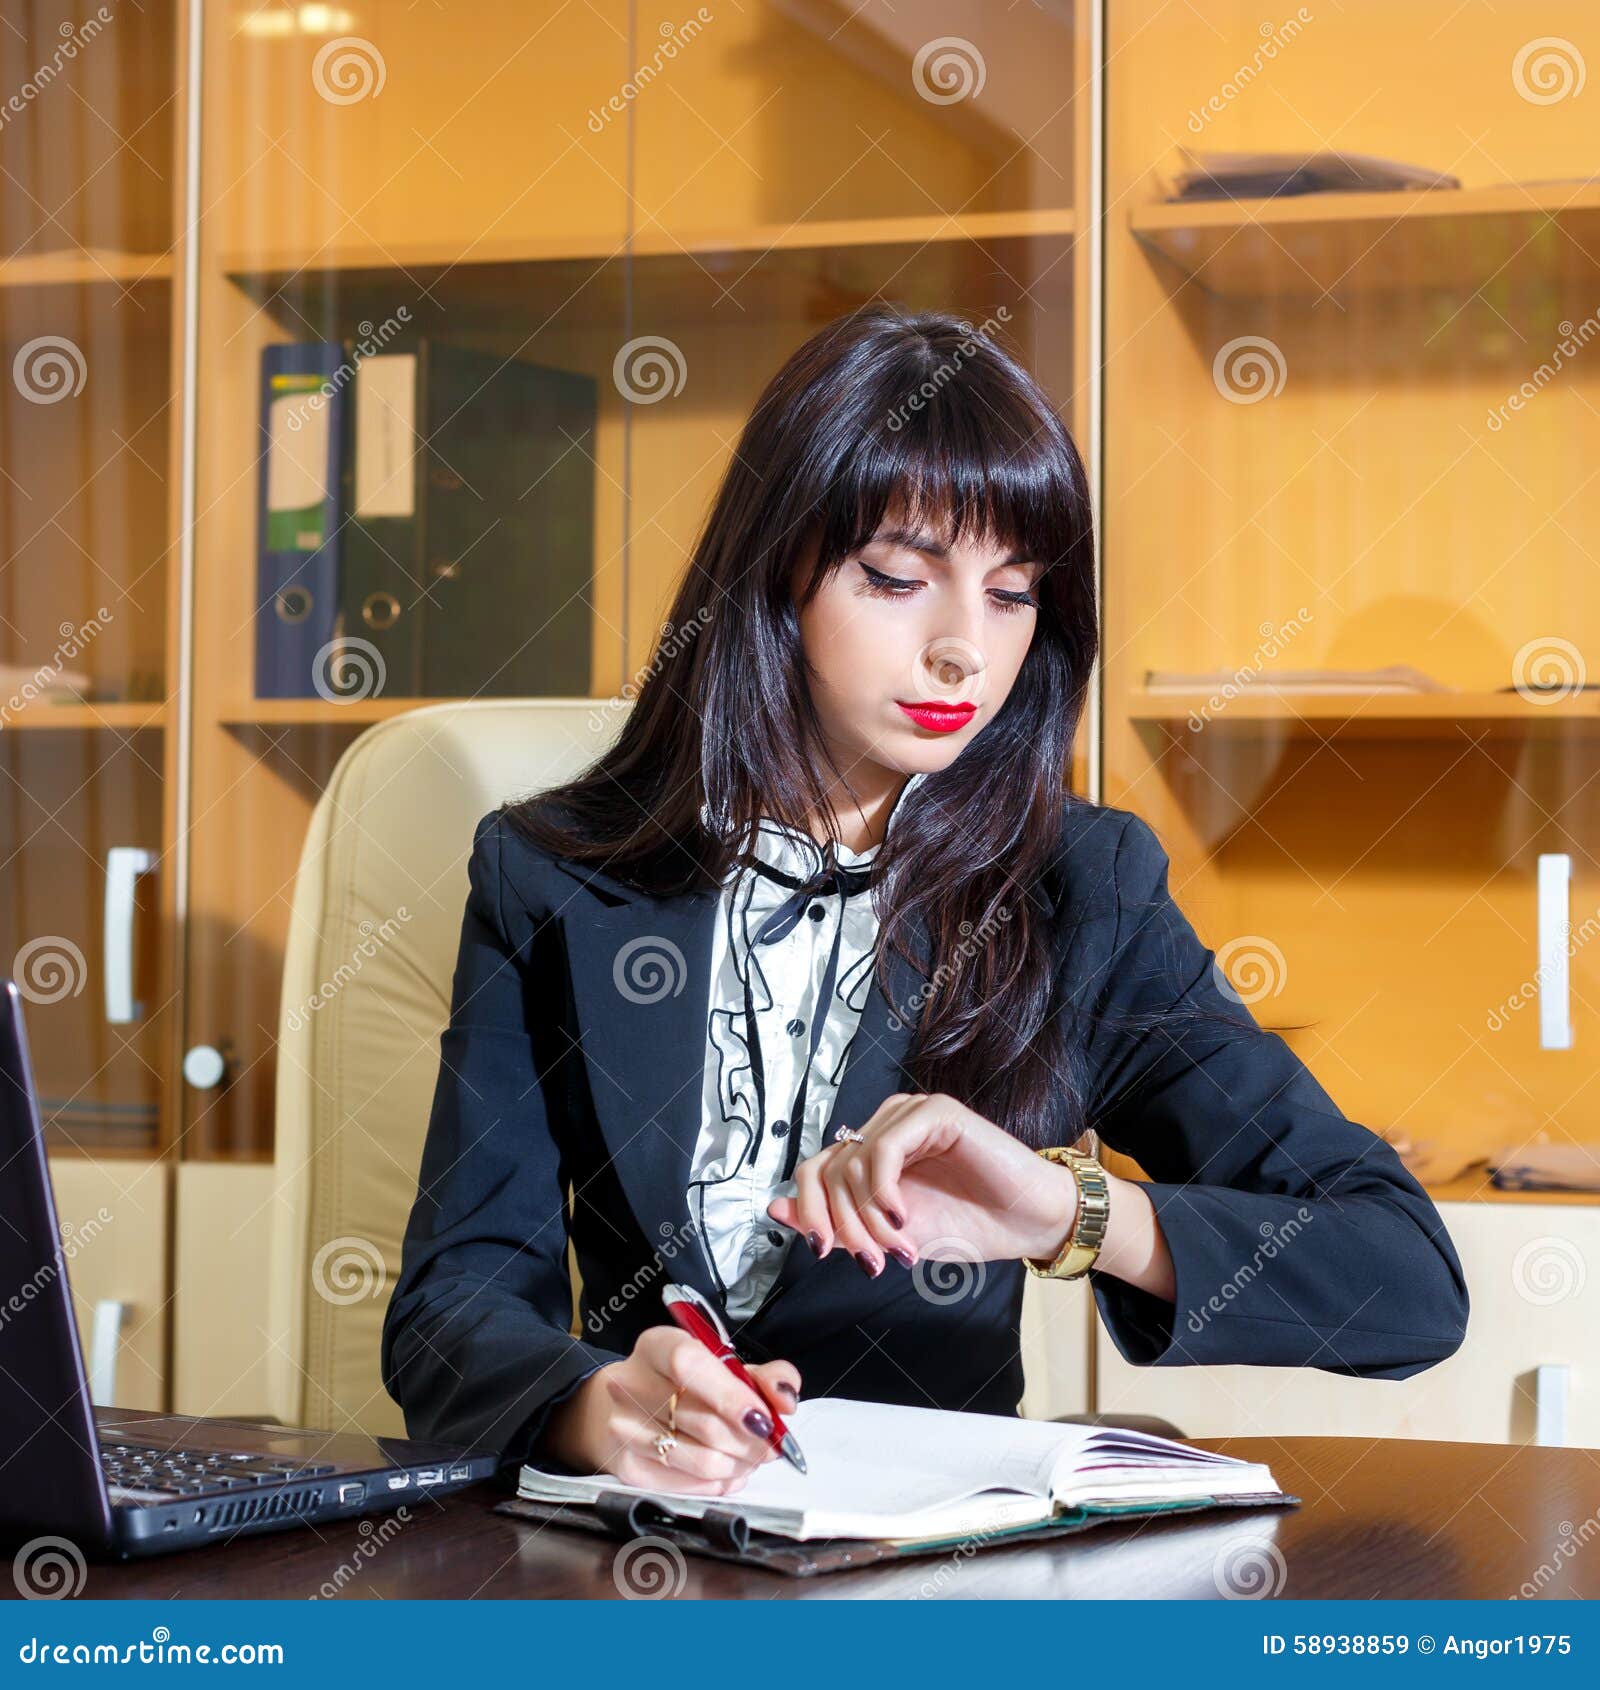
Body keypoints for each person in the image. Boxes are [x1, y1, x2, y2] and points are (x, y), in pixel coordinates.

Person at [380, 304, 1469, 1497]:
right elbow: (454, 1304)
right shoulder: (551, 873)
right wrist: (601, 1409)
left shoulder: (1076, 888)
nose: (966, 650)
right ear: (774, 575)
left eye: (1012, 594)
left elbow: (1406, 1282)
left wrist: (1068, 1213)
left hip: (935, 1572)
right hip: (643, 1553)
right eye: (898, 576)